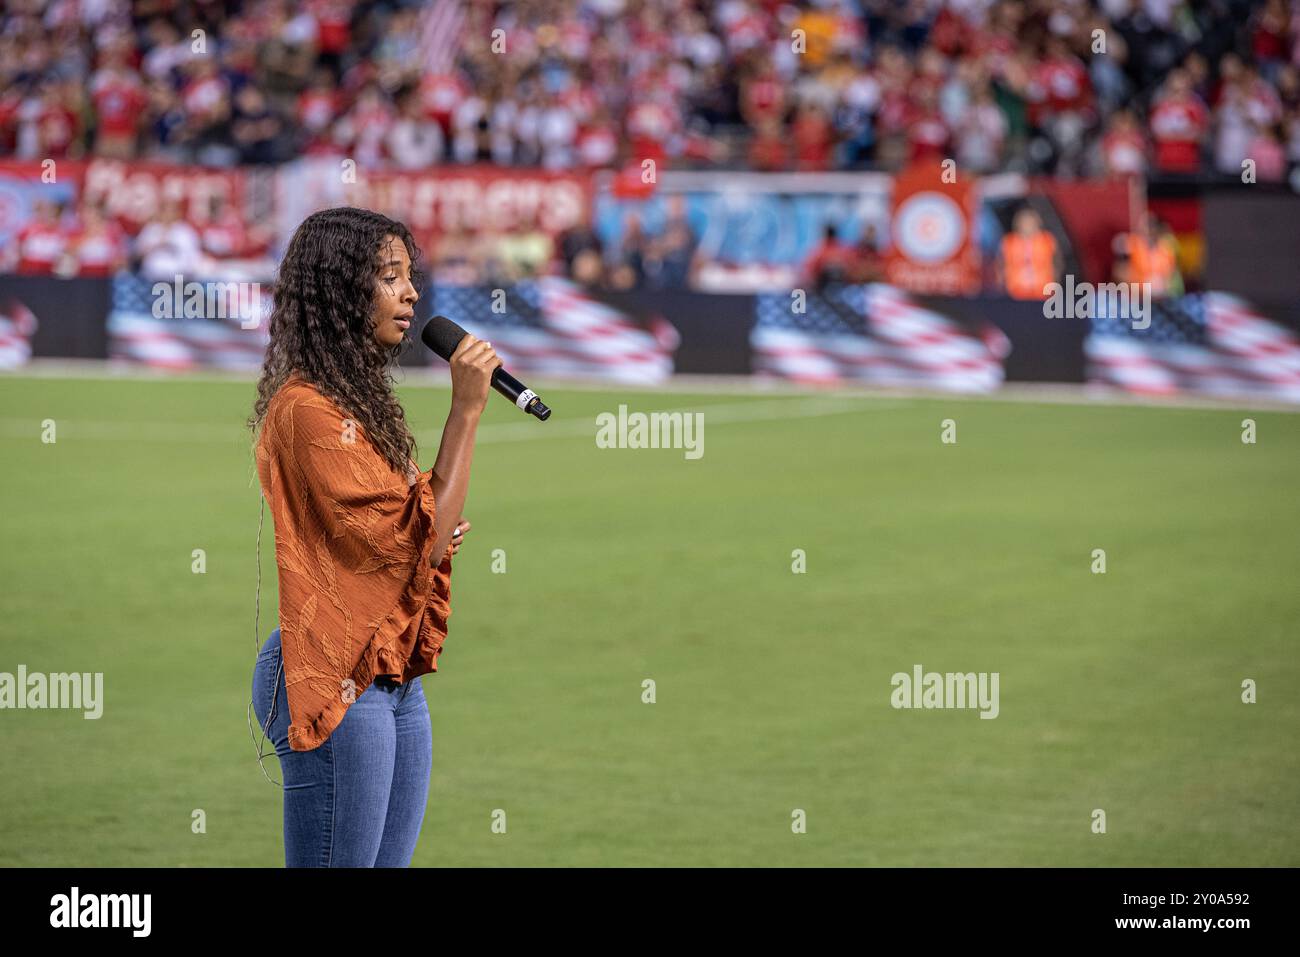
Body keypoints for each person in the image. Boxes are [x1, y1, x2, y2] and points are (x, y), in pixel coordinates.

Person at [246, 206, 501, 867]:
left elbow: (417, 536)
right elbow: (414, 543)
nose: (412, 292)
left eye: (410, 275)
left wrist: (429, 523)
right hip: (333, 671)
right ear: (340, 287)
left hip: (391, 671)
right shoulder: (304, 409)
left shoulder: (358, 401)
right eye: (390, 276)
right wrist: (467, 410)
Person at [997, 207, 1060, 300]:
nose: (1027, 226)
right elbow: (1000, 264)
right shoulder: (1008, 242)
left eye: (1030, 222)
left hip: (1043, 291)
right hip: (1015, 292)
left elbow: (1057, 263)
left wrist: (1055, 283)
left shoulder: (1047, 240)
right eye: (1024, 222)